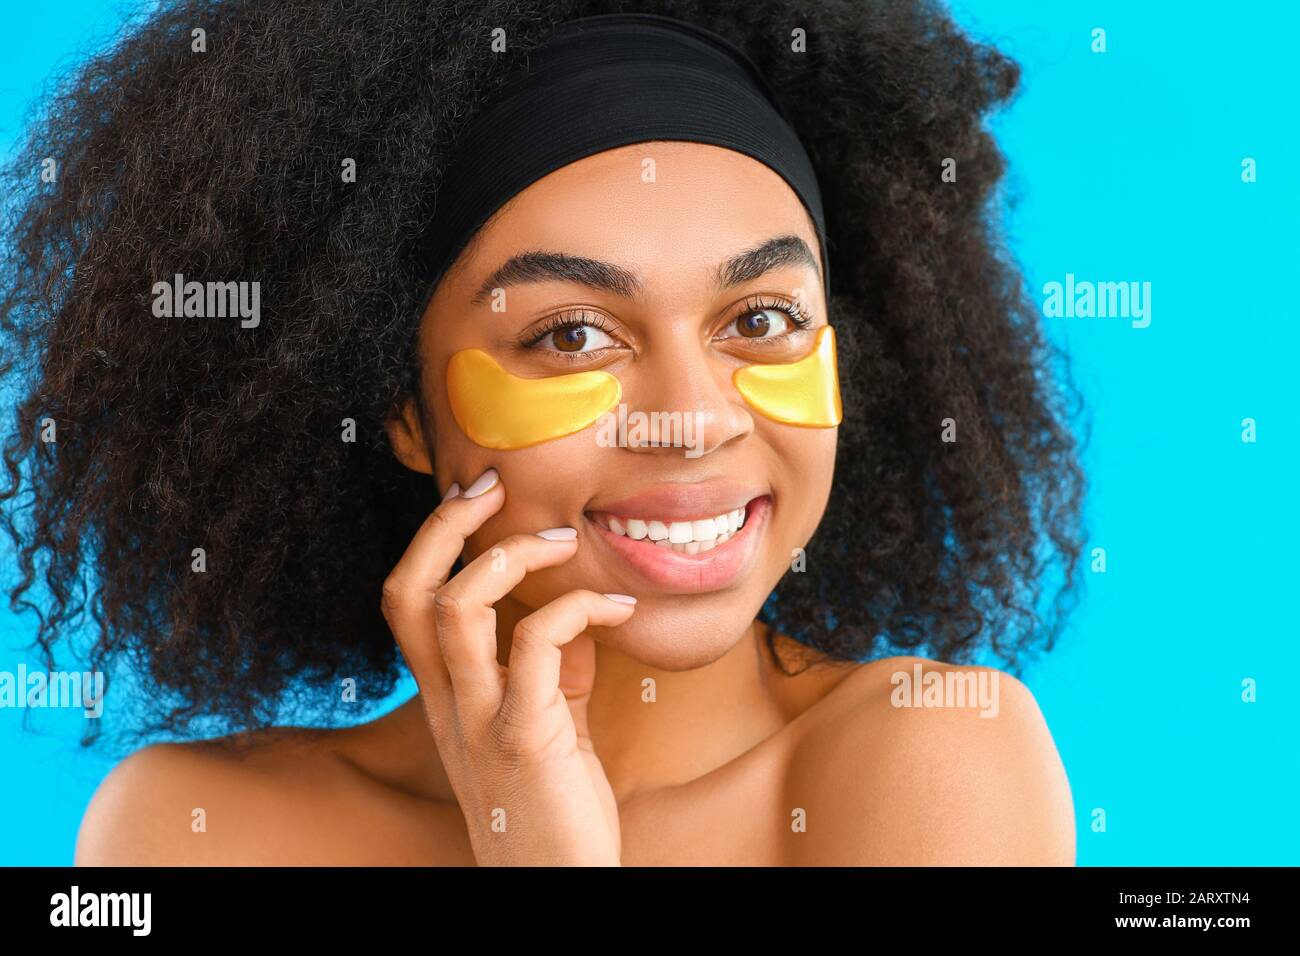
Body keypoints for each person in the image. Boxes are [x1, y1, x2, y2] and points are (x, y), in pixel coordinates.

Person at [0, 1, 1085, 866]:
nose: (695, 417)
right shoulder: (193, 830)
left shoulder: (934, 758)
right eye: (571, 335)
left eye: (759, 320)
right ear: (403, 409)